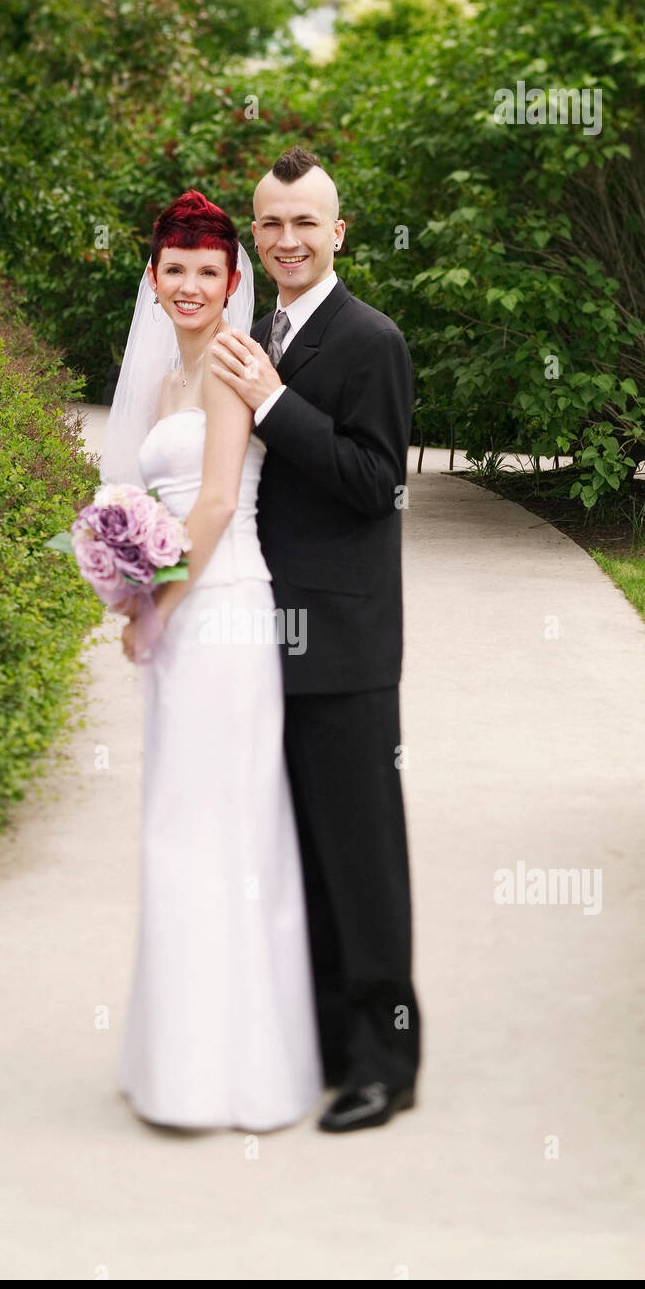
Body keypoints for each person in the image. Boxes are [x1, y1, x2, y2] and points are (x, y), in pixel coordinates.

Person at [209, 147, 422, 1133]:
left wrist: (274, 404)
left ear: (338, 232)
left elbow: (377, 481)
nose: (287, 239)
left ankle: (387, 1060)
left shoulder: (371, 339)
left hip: (343, 642)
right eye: (271, 224)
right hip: (256, 636)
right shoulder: (248, 337)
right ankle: (328, 1044)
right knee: (299, 856)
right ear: (256, 235)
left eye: (306, 223)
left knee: (363, 859)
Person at [106, 190, 322, 1131]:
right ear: (153, 283)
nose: (191, 286)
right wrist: (125, 575)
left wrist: (151, 608)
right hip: (184, 617)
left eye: (208, 271)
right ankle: (178, 1066)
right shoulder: (159, 388)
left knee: (222, 831)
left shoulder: (238, 366)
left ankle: (238, 1075)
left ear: (233, 284)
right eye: (175, 270)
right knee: (176, 824)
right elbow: (152, 506)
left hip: (225, 614)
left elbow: (220, 504)